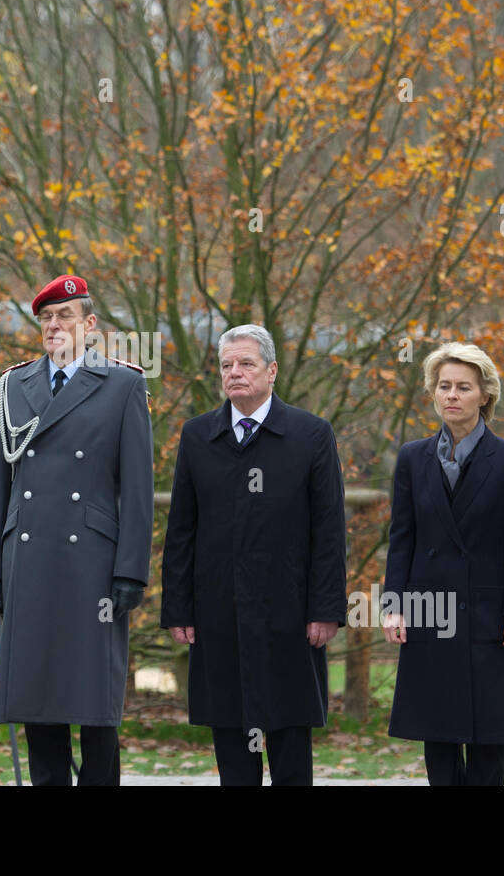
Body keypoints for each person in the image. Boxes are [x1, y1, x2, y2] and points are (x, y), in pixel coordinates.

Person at [0, 274, 153, 786]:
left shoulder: (122, 384)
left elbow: (138, 489)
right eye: (47, 318)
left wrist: (131, 573)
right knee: (38, 705)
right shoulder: (15, 385)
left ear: (89, 324)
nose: (54, 326)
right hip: (26, 560)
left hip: (92, 566)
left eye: (65, 316)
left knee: (96, 709)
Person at [159, 324, 347, 786]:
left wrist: (325, 609)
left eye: (246, 363)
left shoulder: (311, 434)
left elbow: (329, 531)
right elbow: (181, 529)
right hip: (218, 610)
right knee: (230, 738)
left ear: (272, 370)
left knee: (289, 741)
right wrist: (178, 607)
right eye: (226, 365)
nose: (235, 373)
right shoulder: (198, 435)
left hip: (290, 610)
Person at [381, 342, 504, 786]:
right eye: (443, 386)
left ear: (484, 395)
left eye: (463, 387)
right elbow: (402, 537)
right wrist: (392, 605)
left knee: (489, 736)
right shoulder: (413, 457)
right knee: (439, 733)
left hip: (489, 615)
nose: (451, 395)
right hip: (429, 610)